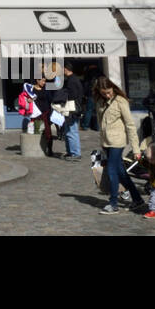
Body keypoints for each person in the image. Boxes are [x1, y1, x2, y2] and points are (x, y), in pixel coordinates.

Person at [94, 75, 144, 214]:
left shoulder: (120, 101)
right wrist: (102, 143)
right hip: (106, 142)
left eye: (109, 92)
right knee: (121, 172)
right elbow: (100, 123)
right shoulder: (99, 102)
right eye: (104, 93)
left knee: (111, 170)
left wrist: (136, 149)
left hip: (118, 141)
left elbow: (130, 125)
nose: (108, 95)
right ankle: (138, 199)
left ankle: (113, 203)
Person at [60, 61, 84, 161]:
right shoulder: (73, 79)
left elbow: (72, 96)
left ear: (66, 69)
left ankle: (75, 153)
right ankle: (71, 152)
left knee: (72, 131)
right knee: (68, 131)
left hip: (72, 110)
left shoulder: (72, 80)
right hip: (73, 109)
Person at [80, 65, 102, 131]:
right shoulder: (100, 74)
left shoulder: (88, 74)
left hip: (91, 95)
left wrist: (84, 94)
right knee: (97, 111)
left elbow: (86, 85)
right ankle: (97, 127)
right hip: (99, 95)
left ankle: (85, 126)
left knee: (88, 111)